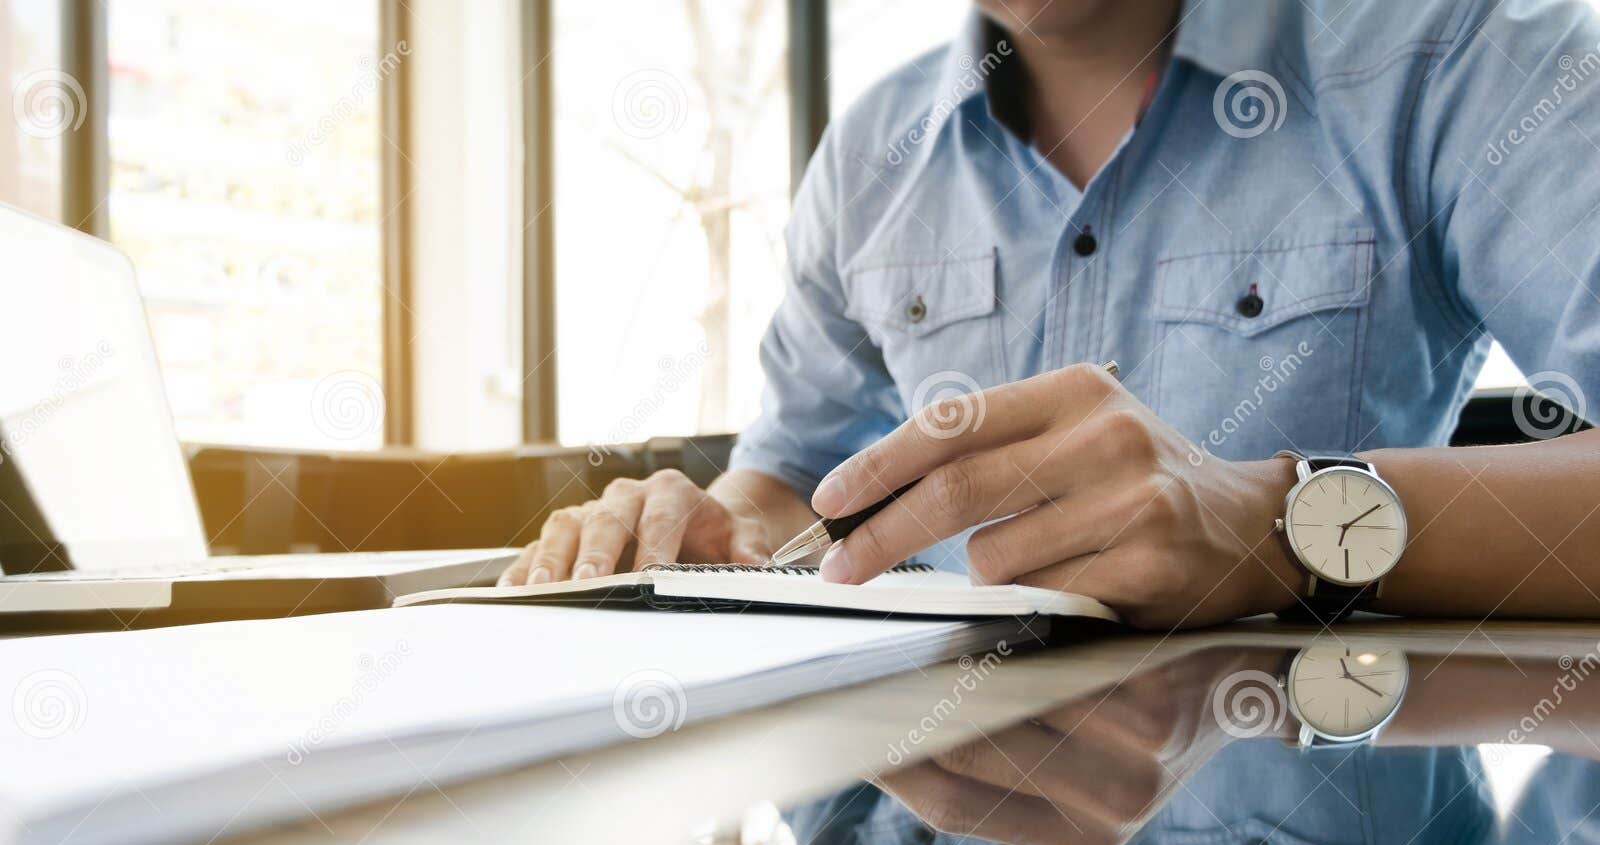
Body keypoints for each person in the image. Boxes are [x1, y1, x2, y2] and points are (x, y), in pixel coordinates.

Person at [503, 0, 1600, 628]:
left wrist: (1275, 526)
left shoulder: (1464, 56)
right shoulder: (873, 149)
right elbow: (792, 473)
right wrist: (719, 536)